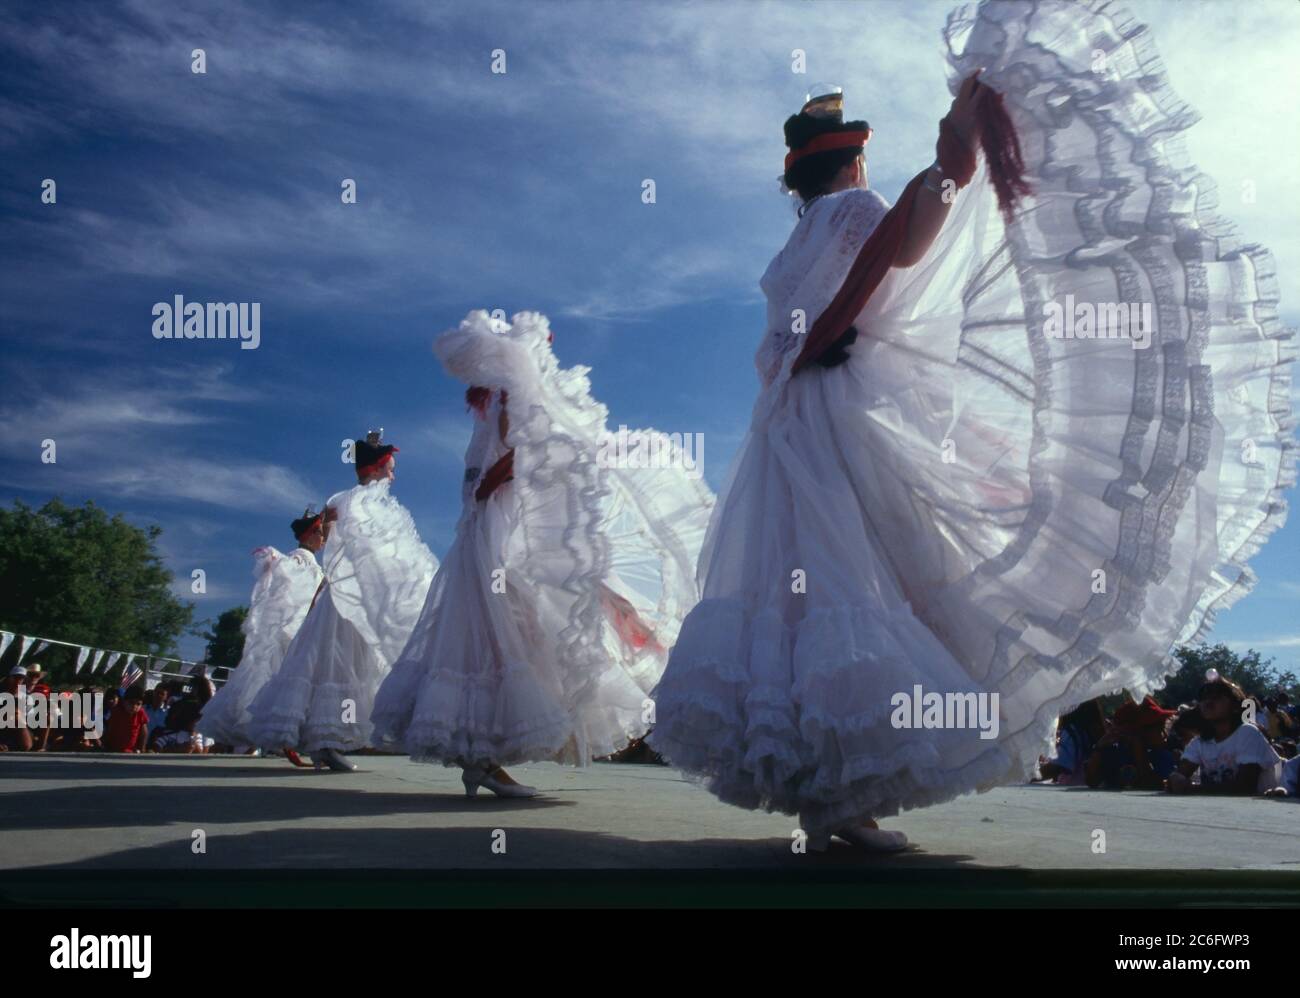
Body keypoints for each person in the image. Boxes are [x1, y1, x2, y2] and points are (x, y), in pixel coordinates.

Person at [647, 1, 1292, 852]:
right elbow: (907, 251)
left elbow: (806, 329)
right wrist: (958, 153)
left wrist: (952, 158)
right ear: (850, 163)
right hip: (841, 414)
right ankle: (844, 797)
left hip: (788, 425)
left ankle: (828, 792)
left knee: (812, 589)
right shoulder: (849, 213)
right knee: (868, 579)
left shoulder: (788, 247)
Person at [373, 312, 713, 797]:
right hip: (499, 530)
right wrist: (560, 453)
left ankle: (482, 761)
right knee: (515, 630)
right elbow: (510, 461)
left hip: (490, 527)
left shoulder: (492, 411)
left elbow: (498, 469)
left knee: (511, 633)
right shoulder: (509, 402)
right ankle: (483, 762)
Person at [248, 432, 438, 771]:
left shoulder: (353, 502)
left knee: (348, 666)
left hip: (356, 594)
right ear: (377, 469)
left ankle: (328, 742)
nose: (393, 476)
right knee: (338, 666)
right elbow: (341, 549)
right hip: (348, 597)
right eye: (390, 470)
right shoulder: (352, 502)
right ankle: (324, 741)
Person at [202, 510, 327, 762]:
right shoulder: (300, 560)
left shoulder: (309, 562)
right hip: (296, 629)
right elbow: (298, 594)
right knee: (292, 683)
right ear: (310, 534)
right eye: (320, 533)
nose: (324, 539)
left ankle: (296, 741)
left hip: (301, 627)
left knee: (293, 686)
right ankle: (293, 741)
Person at [1167, 675, 1282, 796]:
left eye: (1216, 698)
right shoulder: (1199, 742)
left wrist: (1191, 789)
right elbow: (1180, 773)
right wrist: (1175, 779)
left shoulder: (1248, 732)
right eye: (1203, 698)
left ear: (1236, 707)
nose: (1208, 702)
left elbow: (1245, 787)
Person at [1083, 697, 1177, 790]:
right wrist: (1099, 748)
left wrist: (1139, 752)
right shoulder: (1114, 753)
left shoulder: (1162, 755)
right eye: (1158, 726)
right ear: (1136, 731)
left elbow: (1155, 784)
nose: (1163, 732)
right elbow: (1092, 782)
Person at [102, 684, 149, 753]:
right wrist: (105, 745)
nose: (134, 706)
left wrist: (142, 748)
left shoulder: (140, 713)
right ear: (124, 701)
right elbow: (109, 730)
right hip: (114, 750)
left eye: (138, 704)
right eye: (131, 703)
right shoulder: (117, 712)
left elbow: (144, 733)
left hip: (132, 751)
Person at [0, 666, 32, 751]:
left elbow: (31, 716)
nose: (18, 681)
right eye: (15, 678)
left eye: (21, 679)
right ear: (9, 679)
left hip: (22, 726)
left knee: (17, 715)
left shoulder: (28, 698)